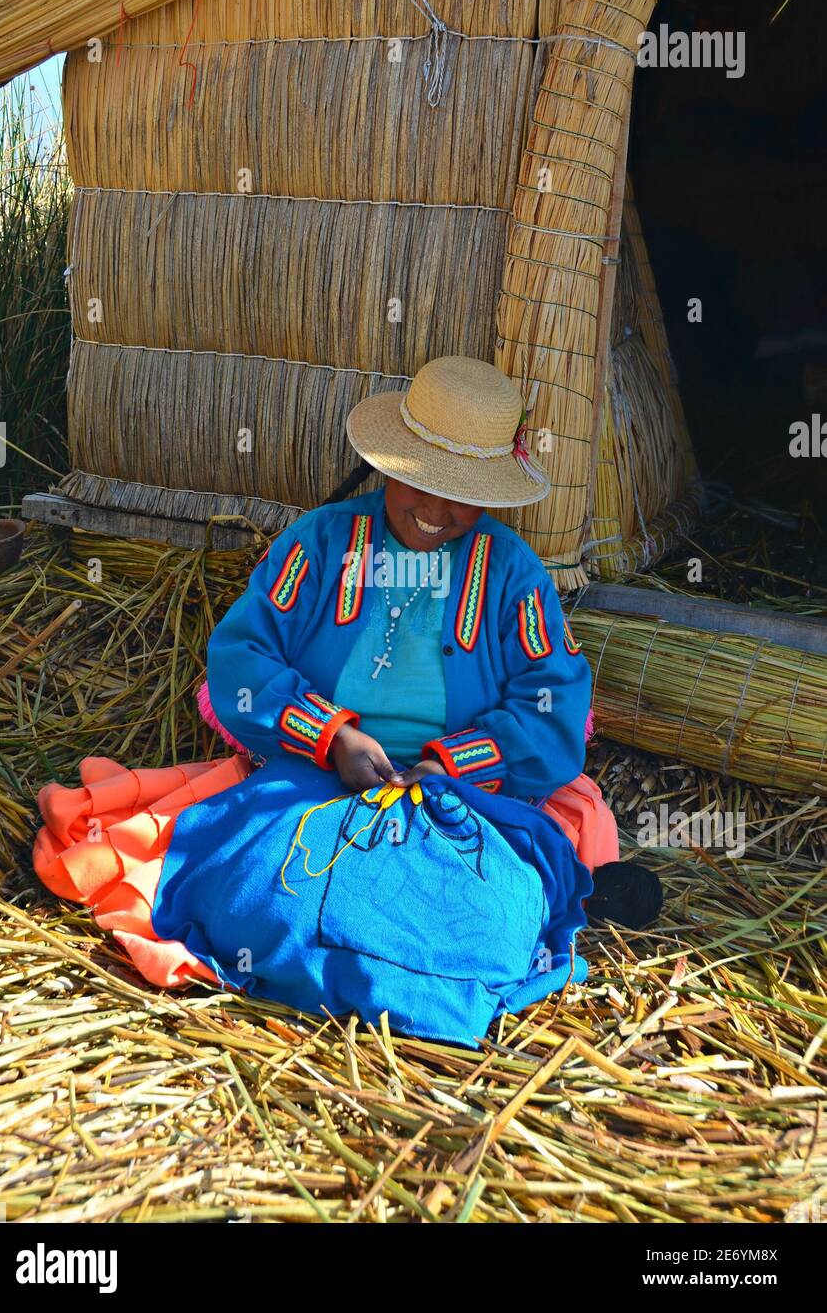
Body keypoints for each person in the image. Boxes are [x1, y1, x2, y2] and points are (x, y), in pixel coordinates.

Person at [34, 358, 652, 1045]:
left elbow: (553, 705)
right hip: (316, 780)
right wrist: (331, 738)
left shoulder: (510, 573)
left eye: (463, 495)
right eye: (420, 482)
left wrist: (452, 765)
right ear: (388, 465)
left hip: (461, 800)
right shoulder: (321, 544)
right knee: (265, 894)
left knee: (489, 919)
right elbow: (242, 660)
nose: (437, 512)